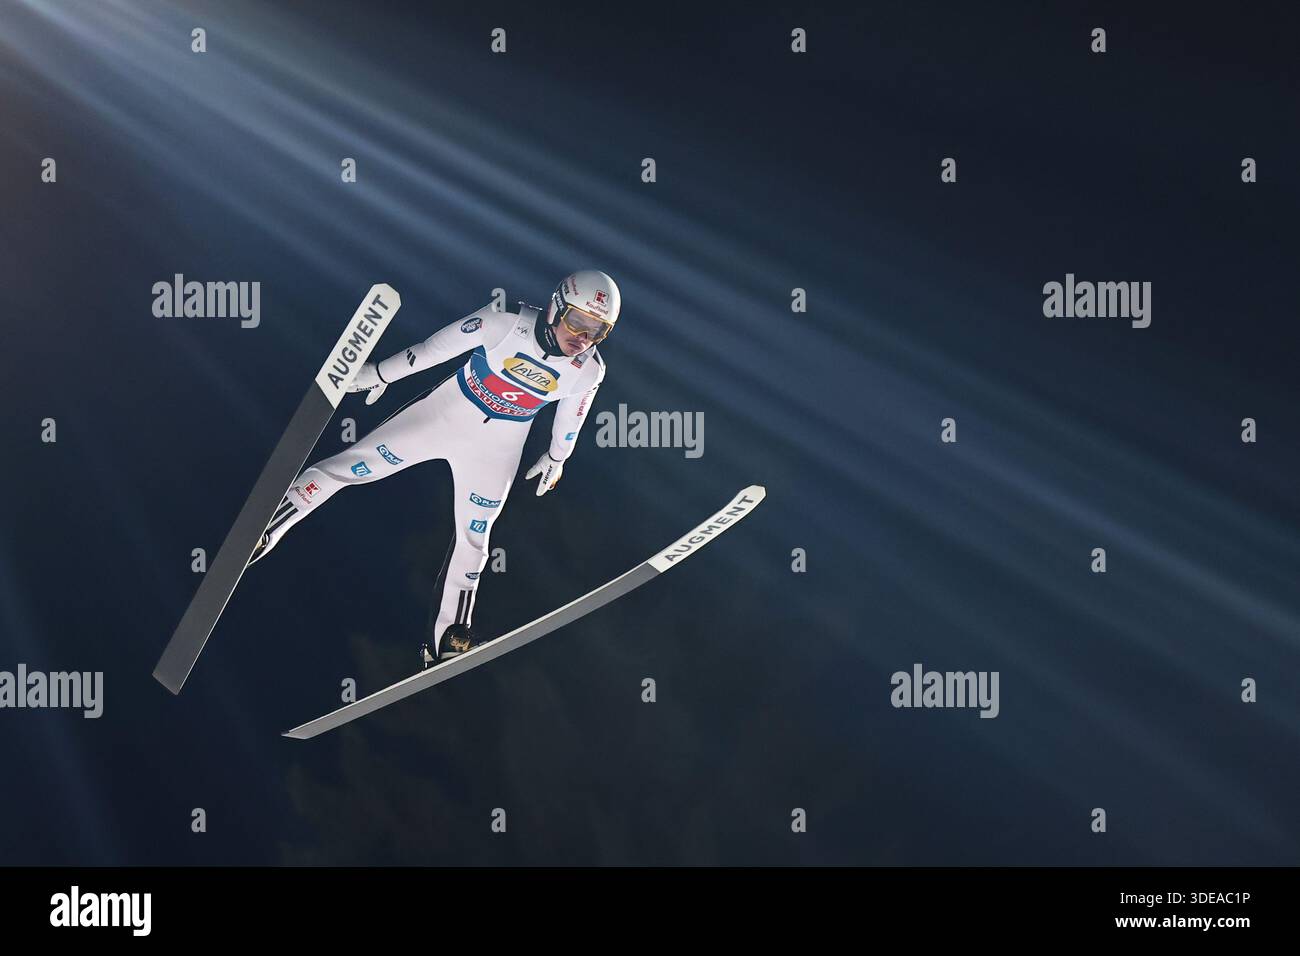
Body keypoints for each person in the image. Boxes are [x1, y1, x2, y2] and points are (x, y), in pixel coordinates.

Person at [248, 270, 619, 665]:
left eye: (597, 331)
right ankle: (267, 528)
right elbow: (432, 350)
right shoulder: (505, 322)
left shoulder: (588, 371)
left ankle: (450, 636)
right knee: (347, 469)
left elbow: (571, 420)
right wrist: (379, 372)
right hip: (440, 420)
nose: (582, 337)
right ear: (555, 307)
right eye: (577, 320)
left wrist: (556, 458)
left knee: (475, 538)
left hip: (495, 452)